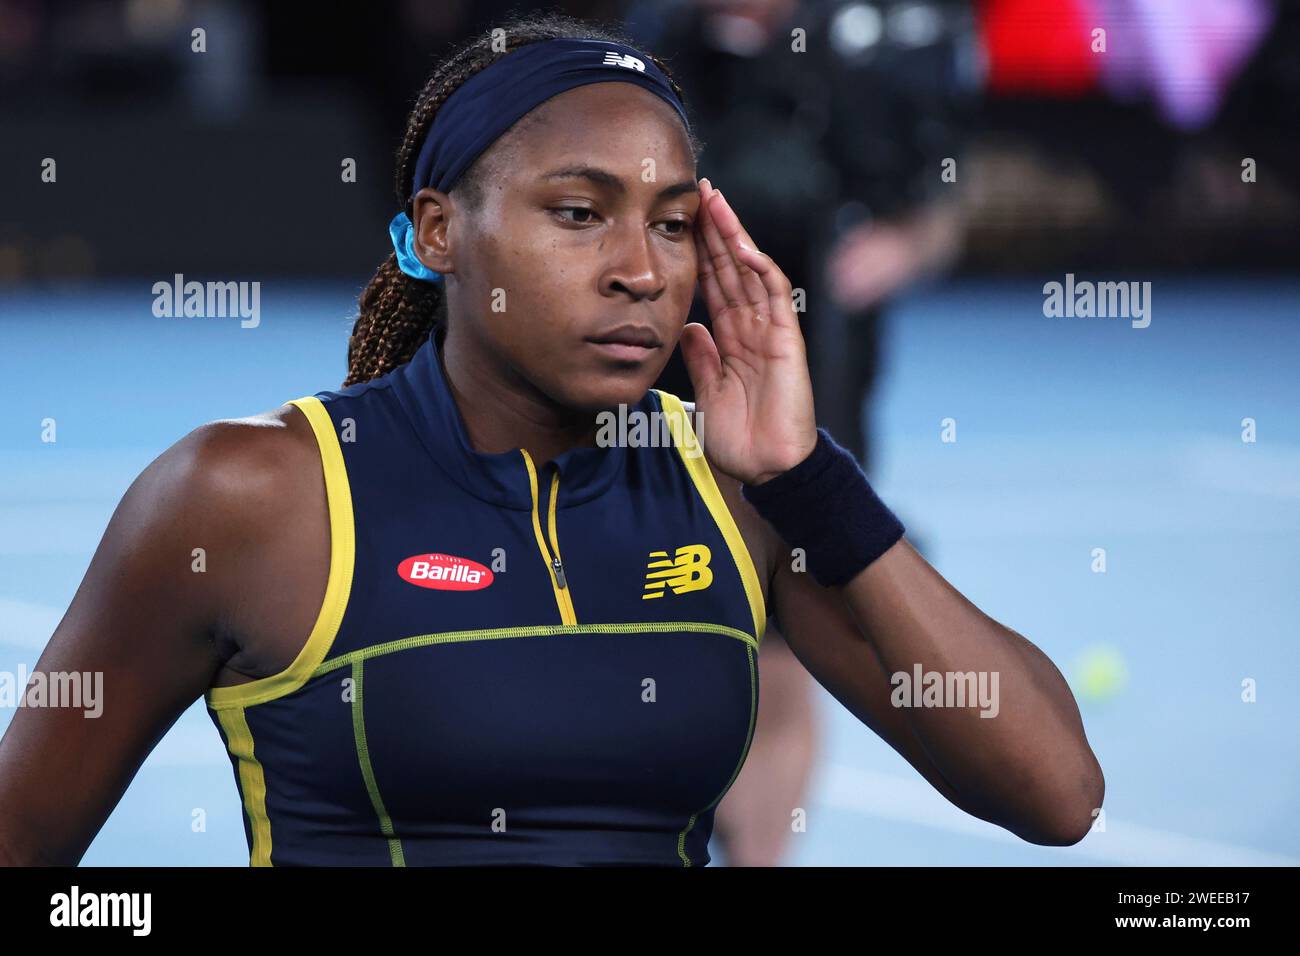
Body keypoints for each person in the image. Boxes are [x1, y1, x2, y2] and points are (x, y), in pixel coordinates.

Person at [0, 13, 1101, 867]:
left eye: (672, 222)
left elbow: (1054, 794)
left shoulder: (739, 496)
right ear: (440, 231)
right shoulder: (245, 495)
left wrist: (812, 480)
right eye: (579, 212)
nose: (641, 267)